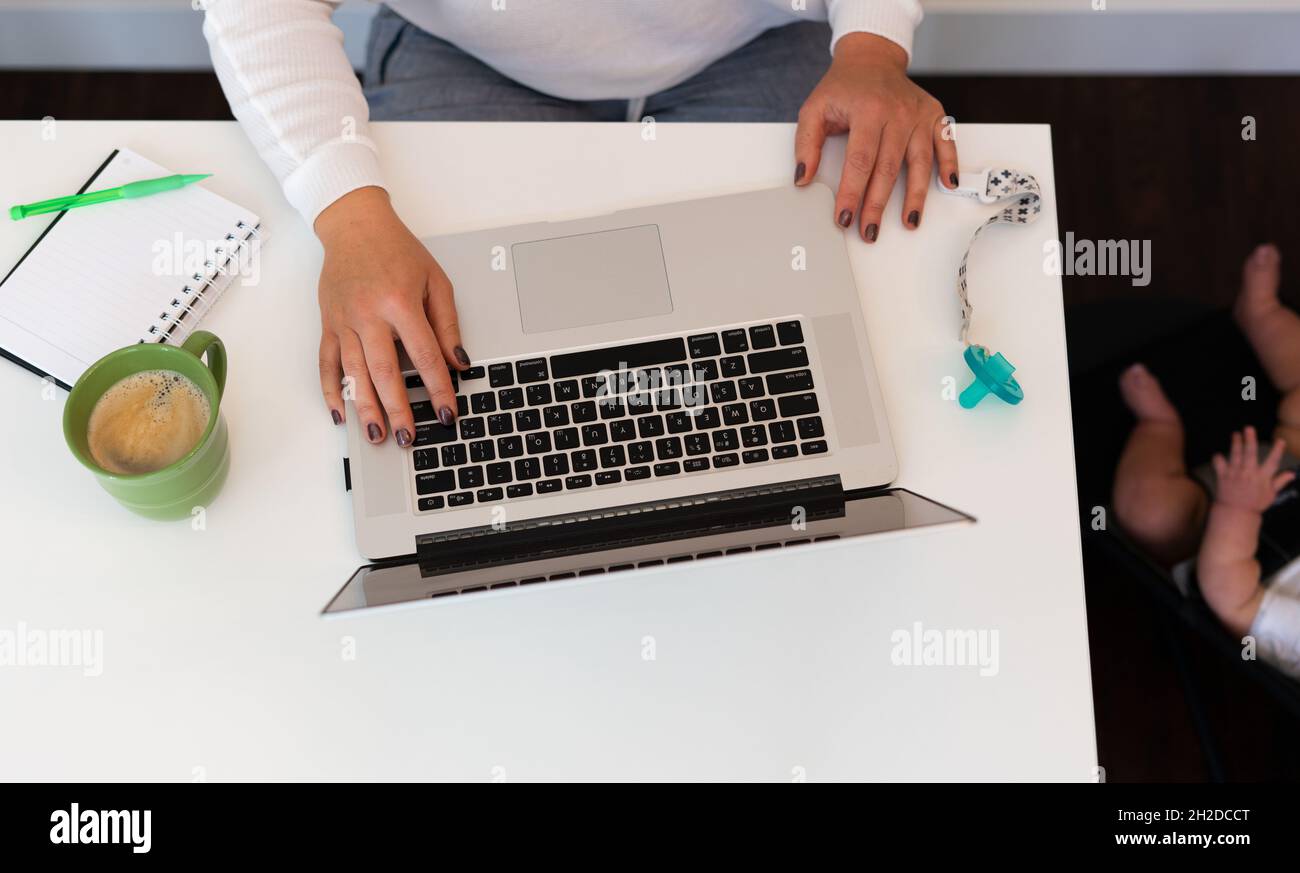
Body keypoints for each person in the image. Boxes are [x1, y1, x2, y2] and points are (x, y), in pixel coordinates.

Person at [202, 0, 957, 447]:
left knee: (805, 357)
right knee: (460, 375)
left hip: (753, 40)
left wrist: (872, 44)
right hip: (470, 50)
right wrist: (348, 213)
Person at [1113, 245, 1300, 679]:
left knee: (1149, 512)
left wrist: (1238, 508)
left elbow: (1233, 598)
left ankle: (1158, 426)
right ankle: (1261, 314)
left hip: (1217, 535)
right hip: (1288, 469)